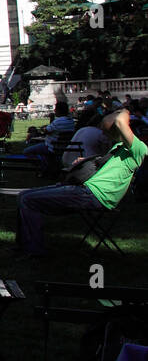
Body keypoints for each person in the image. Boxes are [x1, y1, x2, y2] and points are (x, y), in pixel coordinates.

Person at [17, 109, 145, 258]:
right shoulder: (119, 147)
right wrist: (87, 162)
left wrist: (125, 110)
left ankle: (34, 251)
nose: (106, 134)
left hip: (93, 195)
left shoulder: (139, 149)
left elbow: (118, 121)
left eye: (109, 131)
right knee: (23, 196)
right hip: (84, 190)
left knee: (28, 200)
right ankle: (24, 247)